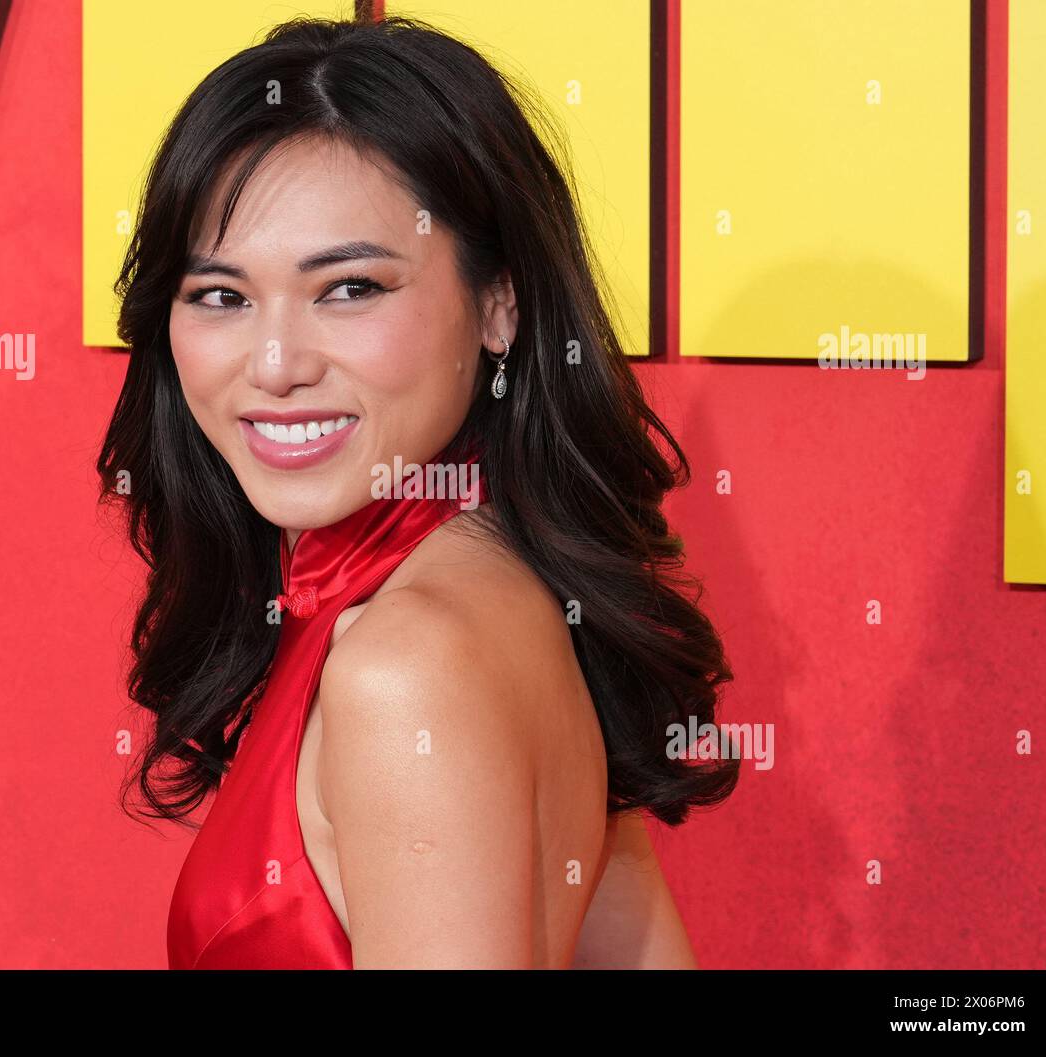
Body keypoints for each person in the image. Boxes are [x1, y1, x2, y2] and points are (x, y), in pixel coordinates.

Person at [97, 15, 738, 970]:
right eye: (222, 297)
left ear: (497, 304)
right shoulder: (514, 594)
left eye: (349, 288)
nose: (274, 366)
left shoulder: (404, 670)